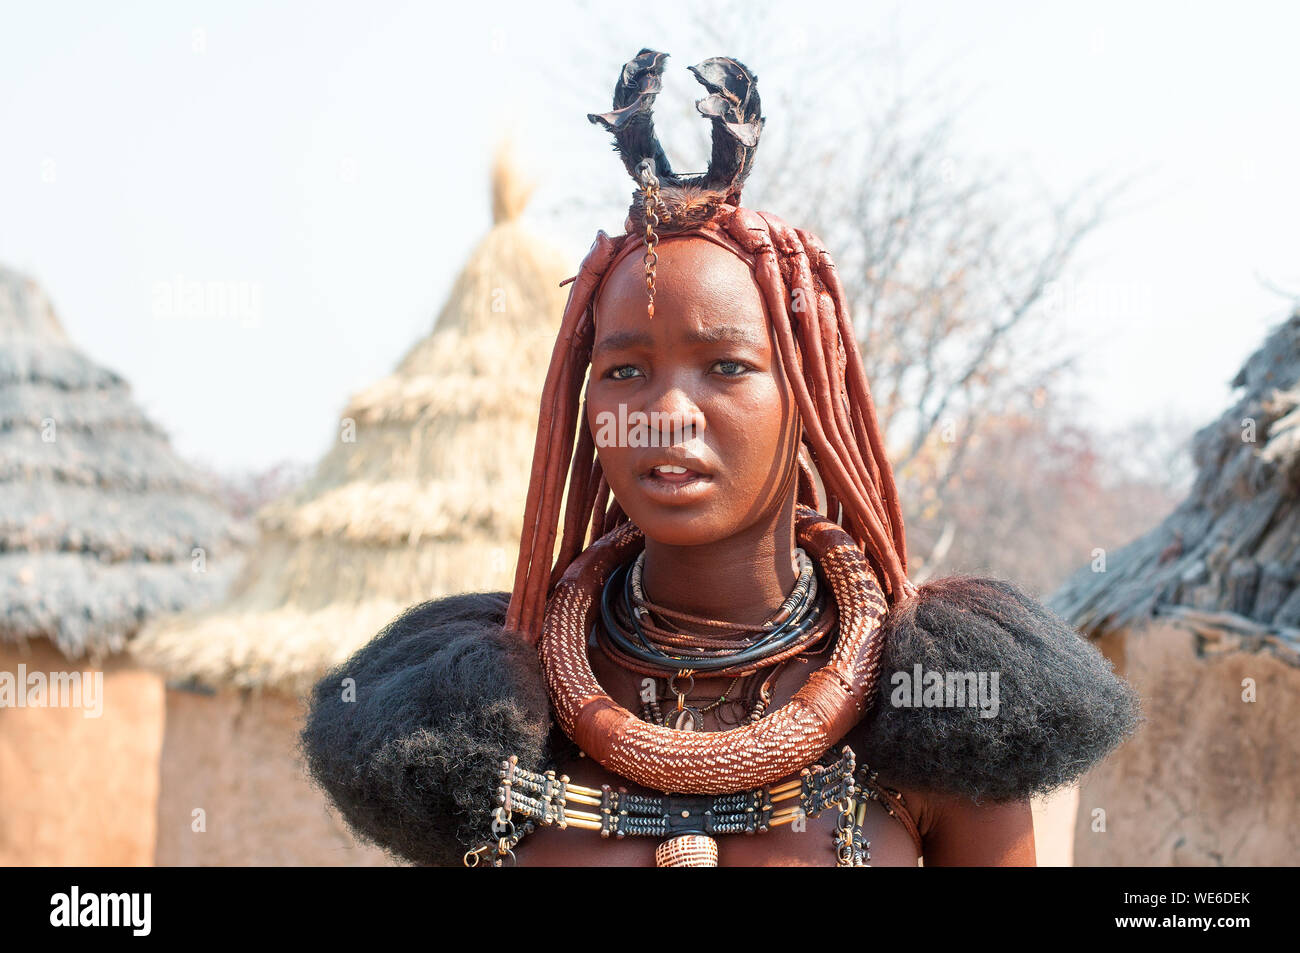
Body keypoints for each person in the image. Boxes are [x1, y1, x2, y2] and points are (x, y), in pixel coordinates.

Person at [301, 49, 1139, 867]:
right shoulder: (491, 716)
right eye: (625, 370)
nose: (665, 414)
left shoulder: (932, 713)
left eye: (727, 367)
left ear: (806, 392)